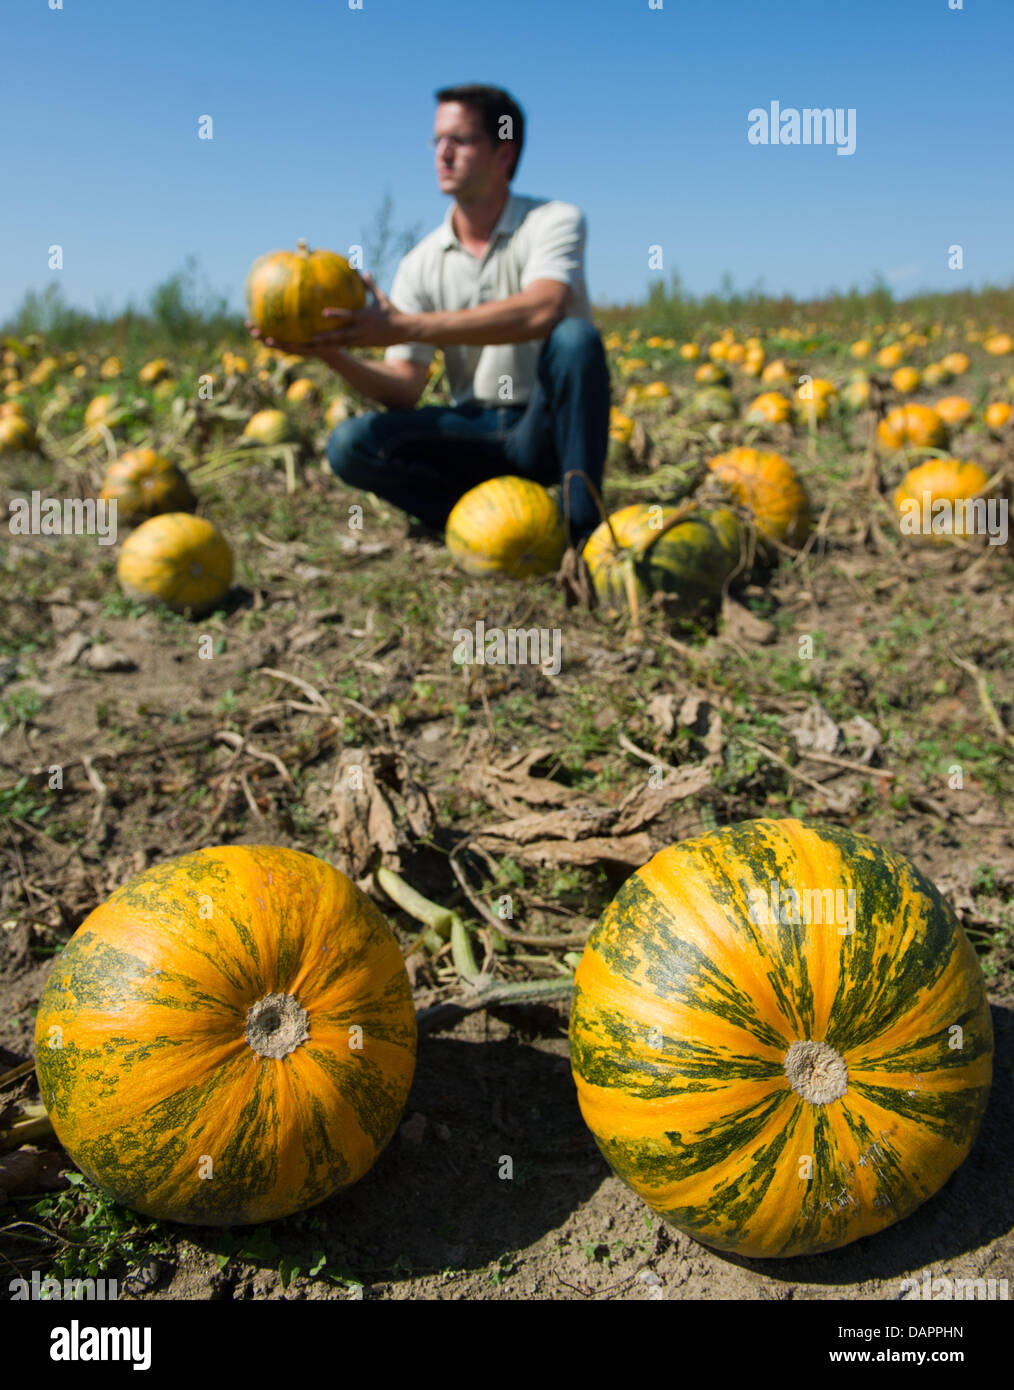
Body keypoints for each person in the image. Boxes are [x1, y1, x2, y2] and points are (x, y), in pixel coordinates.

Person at [251, 83, 609, 543]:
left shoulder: (554, 220)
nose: (442, 154)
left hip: (545, 426)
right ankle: (478, 523)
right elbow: (404, 388)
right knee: (350, 445)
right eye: (436, 141)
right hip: (473, 433)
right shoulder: (421, 260)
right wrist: (333, 351)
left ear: (504, 154)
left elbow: (542, 310)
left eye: (458, 141)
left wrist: (401, 325)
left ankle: (580, 533)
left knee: (575, 340)